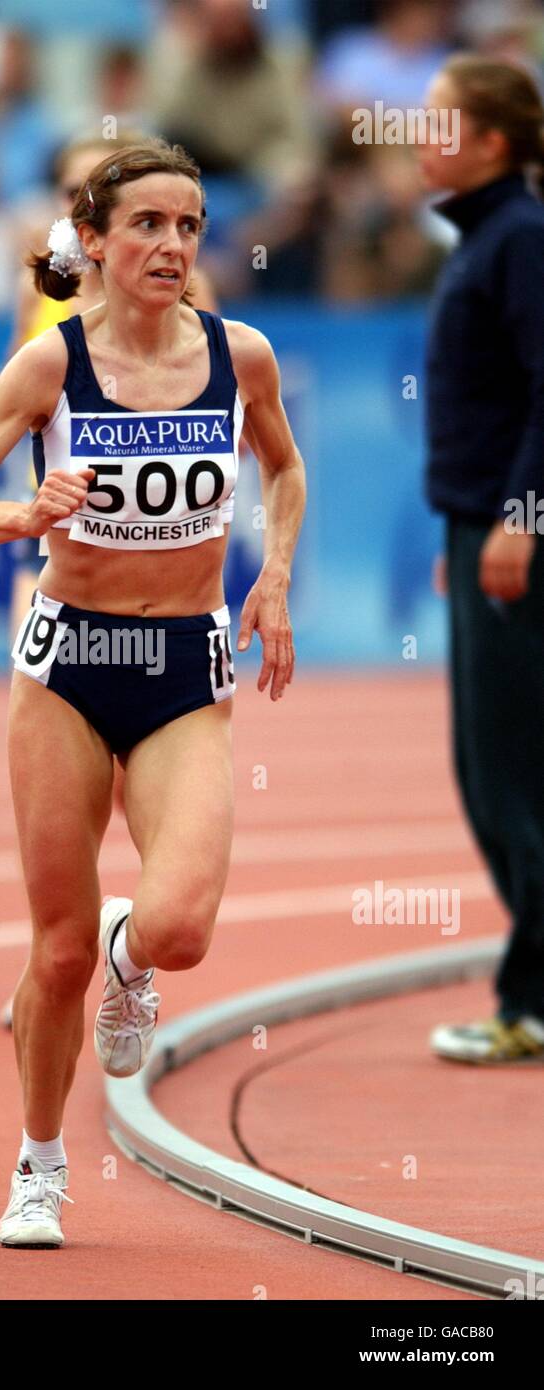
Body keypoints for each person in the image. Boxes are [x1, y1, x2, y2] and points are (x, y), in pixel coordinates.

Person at [0, 137, 305, 1247]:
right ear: (92, 242)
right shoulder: (51, 367)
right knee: (56, 949)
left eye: (187, 226)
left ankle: (134, 957)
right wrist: (17, 515)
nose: (172, 244)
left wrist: (270, 577)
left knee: (175, 930)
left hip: (183, 665)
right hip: (67, 669)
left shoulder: (241, 356)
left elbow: (282, 465)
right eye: (147, 226)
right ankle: (39, 1164)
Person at [0, 135, 219, 1033]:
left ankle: (115, 940)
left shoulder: (184, 293)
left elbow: (193, 384)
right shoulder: (46, 291)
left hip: (159, 572)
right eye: (69, 186)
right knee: (55, 755)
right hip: (55, 554)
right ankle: (59, 952)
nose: (167, 241)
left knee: (128, 767)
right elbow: (33, 384)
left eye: (181, 224)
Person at [418, 54, 544, 1063]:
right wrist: (461, 530)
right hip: (479, 531)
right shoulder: (483, 239)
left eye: (435, 123)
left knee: (510, 776)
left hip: (516, 536)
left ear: (491, 141)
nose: (416, 139)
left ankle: (532, 1001)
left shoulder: (520, 240)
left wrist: (519, 516)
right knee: (482, 770)